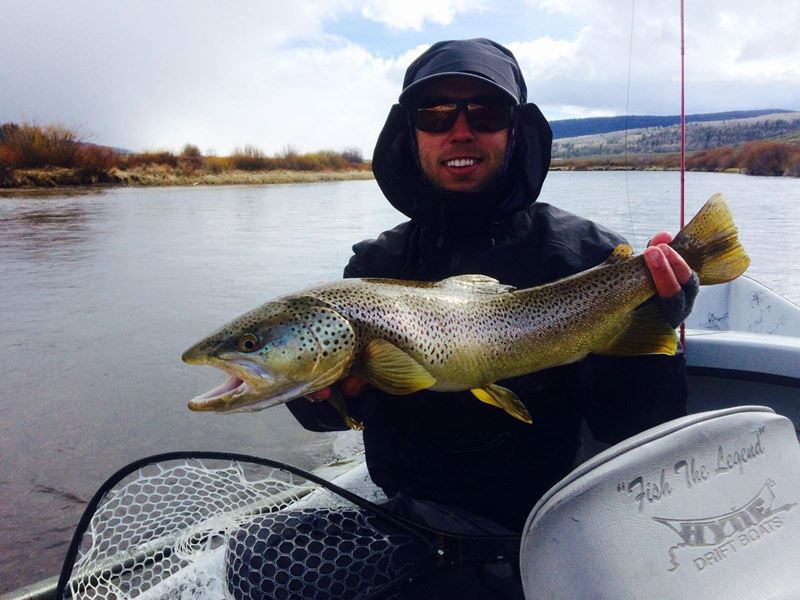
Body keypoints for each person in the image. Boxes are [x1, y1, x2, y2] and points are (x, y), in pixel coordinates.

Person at [286, 38, 697, 597]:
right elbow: (332, 418)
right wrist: (327, 395)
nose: (460, 130)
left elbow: (631, 427)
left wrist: (660, 328)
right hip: (405, 524)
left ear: (515, 130)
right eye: (435, 113)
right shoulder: (376, 266)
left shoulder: (587, 257)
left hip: (541, 530)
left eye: (486, 112)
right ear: (410, 132)